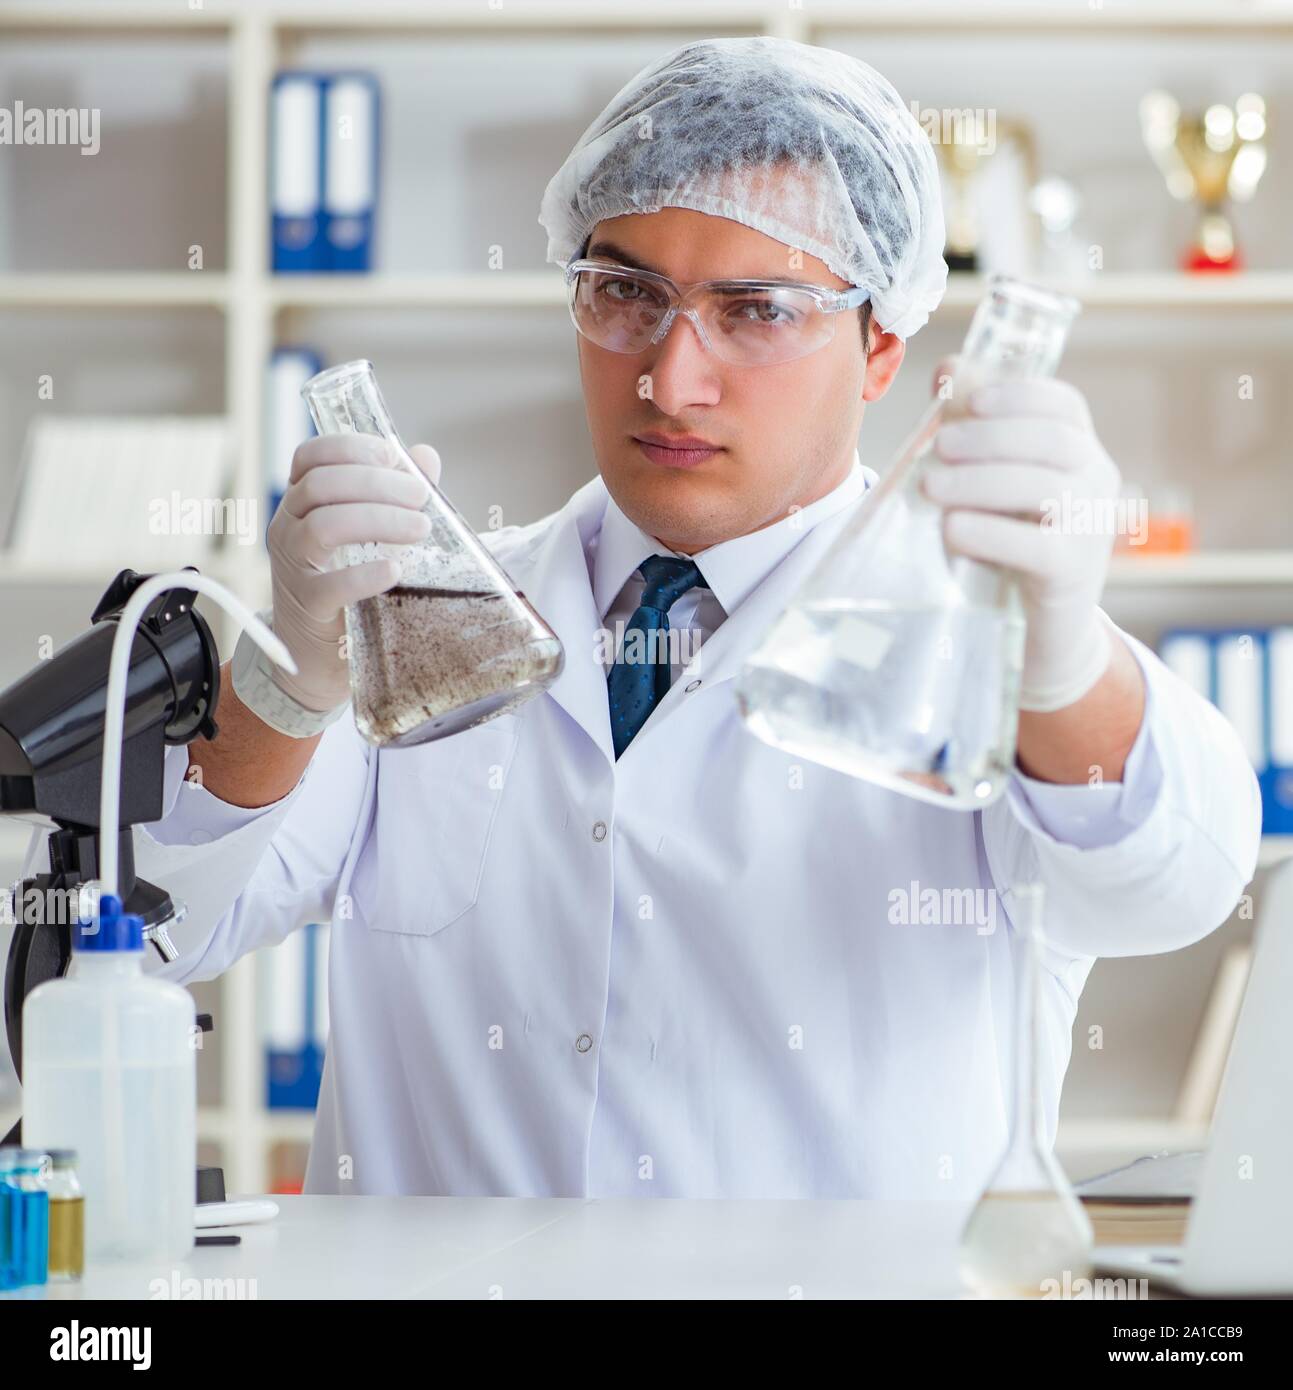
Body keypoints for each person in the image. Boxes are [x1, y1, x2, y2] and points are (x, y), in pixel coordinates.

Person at [120, 38, 1255, 1198]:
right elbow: (166, 919)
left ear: (881, 351)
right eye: (625, 293)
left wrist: (1057, 659)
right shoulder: (422, 621)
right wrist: (294, 672)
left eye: (756, 310)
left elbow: (1176, 882)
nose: (671, 378)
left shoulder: (972, 657)